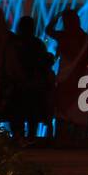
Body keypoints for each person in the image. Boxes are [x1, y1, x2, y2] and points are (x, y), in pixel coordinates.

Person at [45, 9, 88, 144]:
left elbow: (48, 30)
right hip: (81, 78)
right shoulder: (86, 38)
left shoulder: (63, 36)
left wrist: (57, 16)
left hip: (65, 78)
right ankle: (81, 140)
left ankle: (63, 139)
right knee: (80, 111)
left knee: (63, 110)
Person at [6, 14, 54, 143]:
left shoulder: (15, 44)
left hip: (19, 87)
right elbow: (44, 63)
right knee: (32, 115)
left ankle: (19, 137)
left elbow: (10, 64)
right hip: (33, 87)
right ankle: (30, 137)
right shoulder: (37, 44)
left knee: (19, 115)